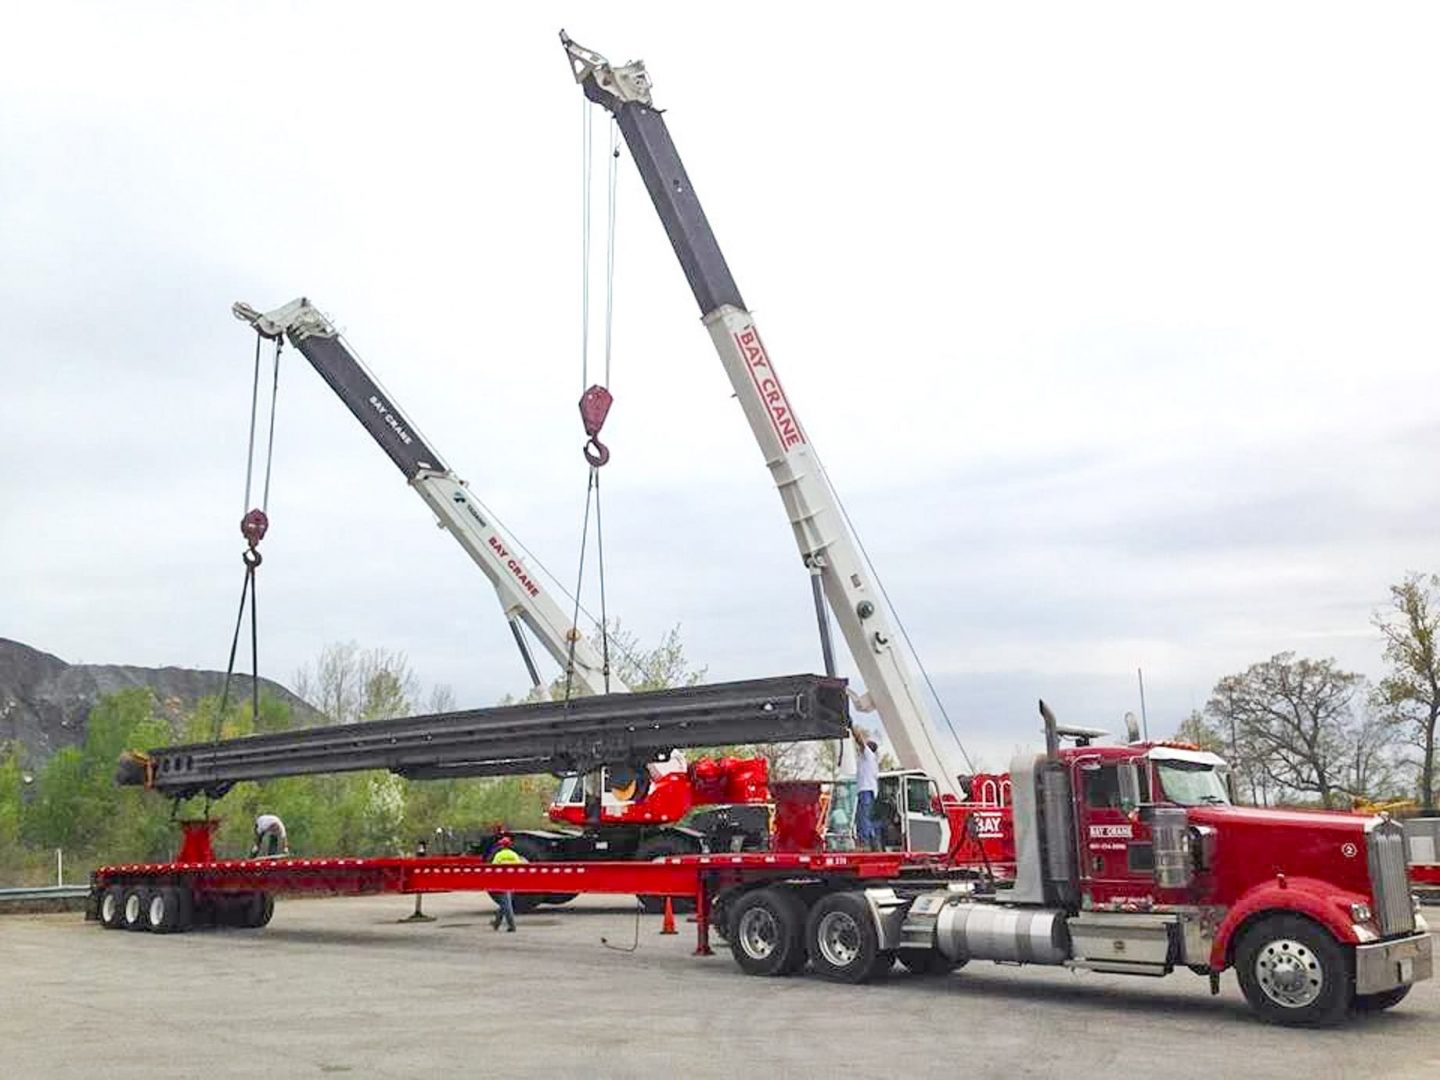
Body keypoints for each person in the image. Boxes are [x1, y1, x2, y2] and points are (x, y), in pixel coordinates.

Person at [852, 726, 881, 851]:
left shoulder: (868, 755)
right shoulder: (869, 760)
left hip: (866, 791)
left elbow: (859, 741)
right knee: (861, 817)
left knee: (863, 817)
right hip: (866, 791)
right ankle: (872, 840)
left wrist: (852, 727)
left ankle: (866, 843)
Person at [489, 834, 526, 932]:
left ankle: (512, 926)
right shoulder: (514, 855)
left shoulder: (499, 855)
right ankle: (496, 924)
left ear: (502, 846)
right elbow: (519, 867)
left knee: (506, 904)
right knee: (505, 902)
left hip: (501, 881)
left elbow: (493, 868)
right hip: (513, 881)